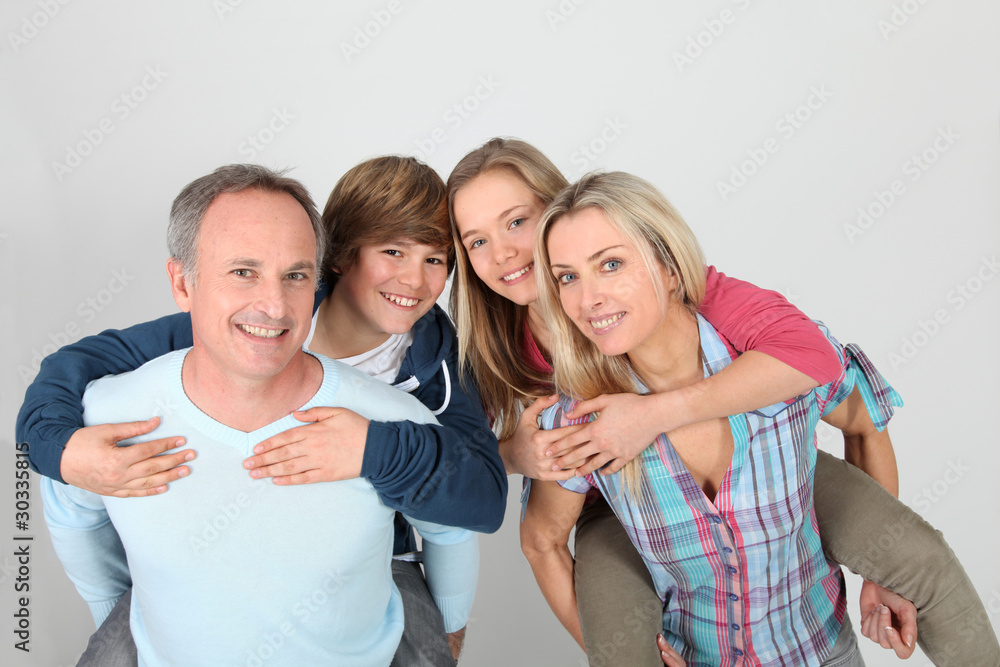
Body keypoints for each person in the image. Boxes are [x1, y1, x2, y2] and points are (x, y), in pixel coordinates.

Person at [446, 139, 999, 665]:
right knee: (621, 644)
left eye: (517, 221)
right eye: (476, 241)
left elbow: (823, 368)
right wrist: (516, 454)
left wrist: (654, 414)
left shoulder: (724, 317)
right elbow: (481, 487)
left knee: (911, 555)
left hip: (742, 452)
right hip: (607, 502)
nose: (504, 252)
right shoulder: (490, 350)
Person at [22, 156, 500, 665]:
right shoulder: (241, 323)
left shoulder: (437, 376)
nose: (414, 279)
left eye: (436, 259)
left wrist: (374, 449)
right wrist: (59, 450)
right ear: (338, 259)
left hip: (380, 557)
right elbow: (73, 369)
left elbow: (478, 501)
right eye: (393, 251)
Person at [521, 170, 886, 664]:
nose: (588, 300)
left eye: (610, 264)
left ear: (669, 268)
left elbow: (866, 424)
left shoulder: (779, 364)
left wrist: (882, 571)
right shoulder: (577, 418)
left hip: (822, 646)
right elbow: (542, 542)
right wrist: (616, 651)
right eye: (568, 277)